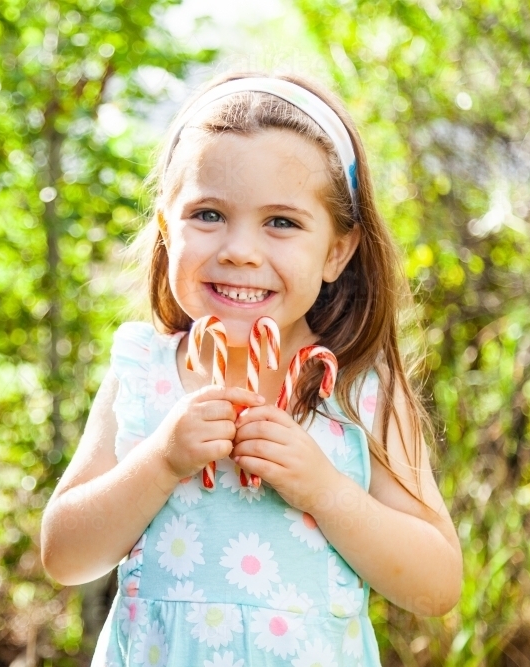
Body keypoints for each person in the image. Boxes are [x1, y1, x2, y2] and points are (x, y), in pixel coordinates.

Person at [40, 71, 463, 666]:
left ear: (336, 251)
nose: (240, 249)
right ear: (166, 226)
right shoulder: (144, 371)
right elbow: (64, 555)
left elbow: (436, 584)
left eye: (282, 222)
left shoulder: (360, 389)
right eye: (208, 214)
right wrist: (160, 460)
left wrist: (325, 490)